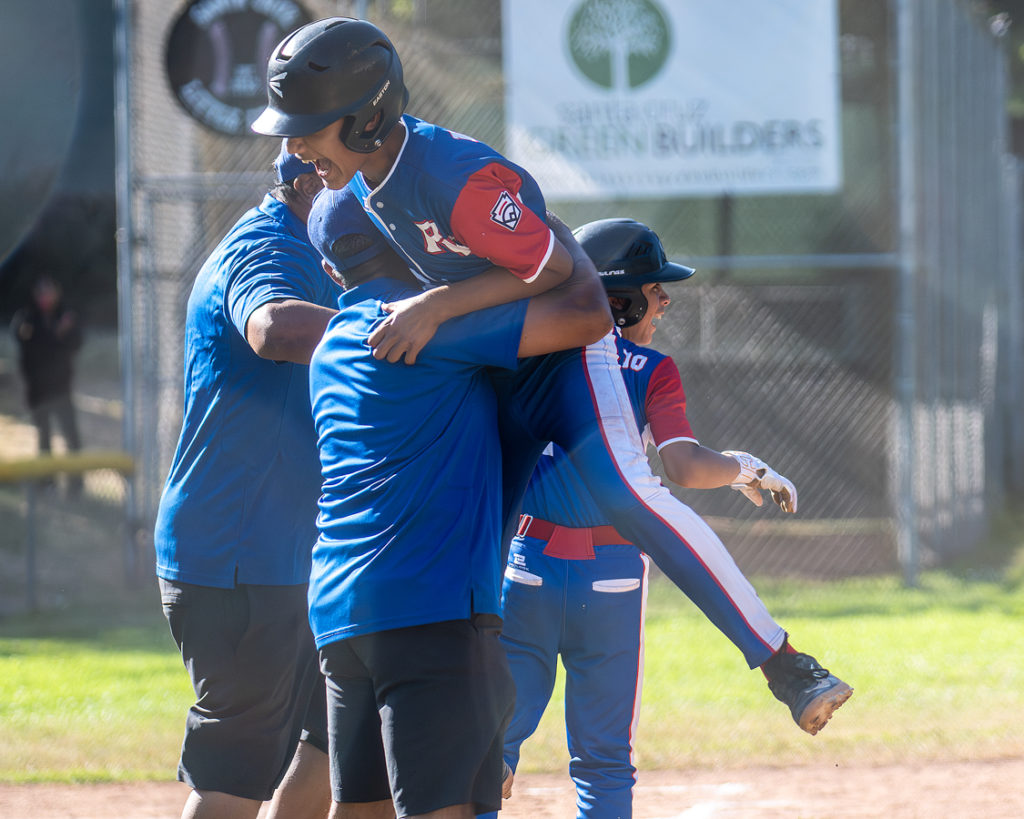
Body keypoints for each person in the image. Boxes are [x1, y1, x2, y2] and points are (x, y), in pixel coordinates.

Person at [252, 15, 851, 764]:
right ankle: (473, 739)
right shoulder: (352, 195)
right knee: (484, 535)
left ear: (369, 119)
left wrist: (436, 306)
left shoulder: (452, 175)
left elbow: (556, 274)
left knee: (629, 494)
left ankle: (784, 662)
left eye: (309, 130)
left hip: (563, 352)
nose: (296, 149)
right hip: (492, 359)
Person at [487, 218, 851, 819]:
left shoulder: (521, 359)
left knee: (486, 750)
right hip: (610, 576)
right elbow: (683, 466)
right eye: (655, 290)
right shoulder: (646, 367)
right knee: (603, 761)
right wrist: (744, 467)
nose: (665, 302)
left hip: (526, 569)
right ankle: (786, 665)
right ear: (619, 302)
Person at [302, 184, 610, 818]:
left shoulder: (329, 344)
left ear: (330, 271)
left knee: (359, 809)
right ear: (412, 238)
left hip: (341, 612)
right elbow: (587, 314)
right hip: (430, 611)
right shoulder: (433, 327)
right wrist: (547, 232)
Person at [153, 141, 338, 819]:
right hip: (239, 556)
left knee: (334, 744)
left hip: (300, 554)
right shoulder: (268, 245)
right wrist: (396, 328)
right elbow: (273, 327)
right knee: (236, 778)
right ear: (313, 182)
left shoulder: (328, 252)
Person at [10, 274, 84, 492]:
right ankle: (47, 482)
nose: (45, 296)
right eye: (40, 291)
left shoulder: (66, 315)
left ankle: (75, 484)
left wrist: (62, 332)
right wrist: (56, 333)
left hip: (61, 388)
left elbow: (76, 342)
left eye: (48, 291)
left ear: (57, 293)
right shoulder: (27, 318)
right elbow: (30, 345)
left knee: (71, 436)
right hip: (38, 390)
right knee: (44, 437)